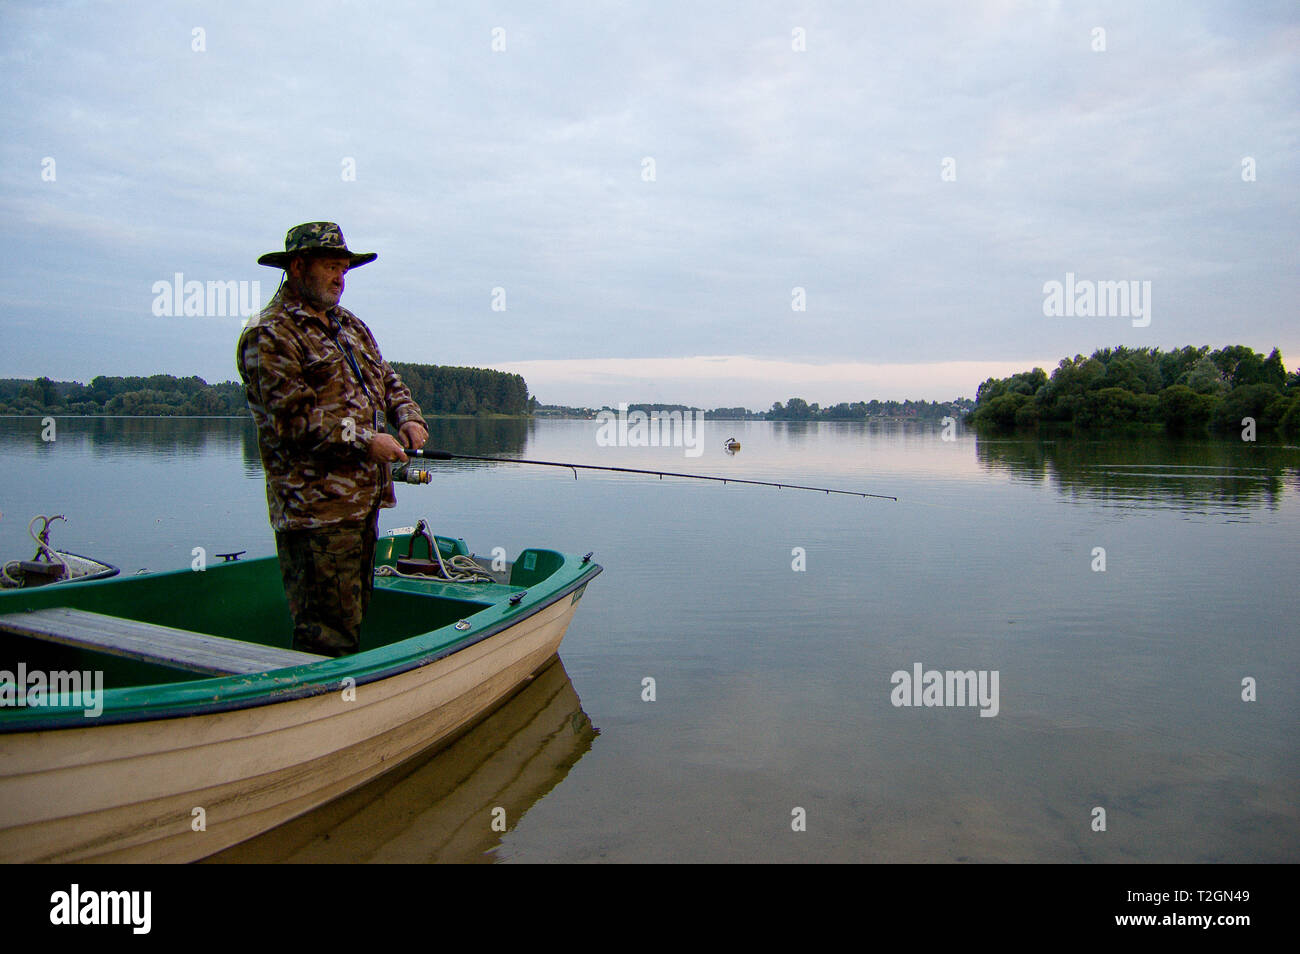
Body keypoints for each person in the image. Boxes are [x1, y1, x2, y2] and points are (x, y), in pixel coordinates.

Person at [237, 222, 429, 656]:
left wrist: (408, 417)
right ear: (298, 267)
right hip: (315, 514)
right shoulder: (270, 333)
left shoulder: (350, 325)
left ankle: (346, 706)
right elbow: (295, 420)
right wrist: (367, 441)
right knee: (325, 630)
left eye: (344, 268)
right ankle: (317, 711)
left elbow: (388, 380)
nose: (340, 278)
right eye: (330, 267)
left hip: (363, 505)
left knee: (353, 612)